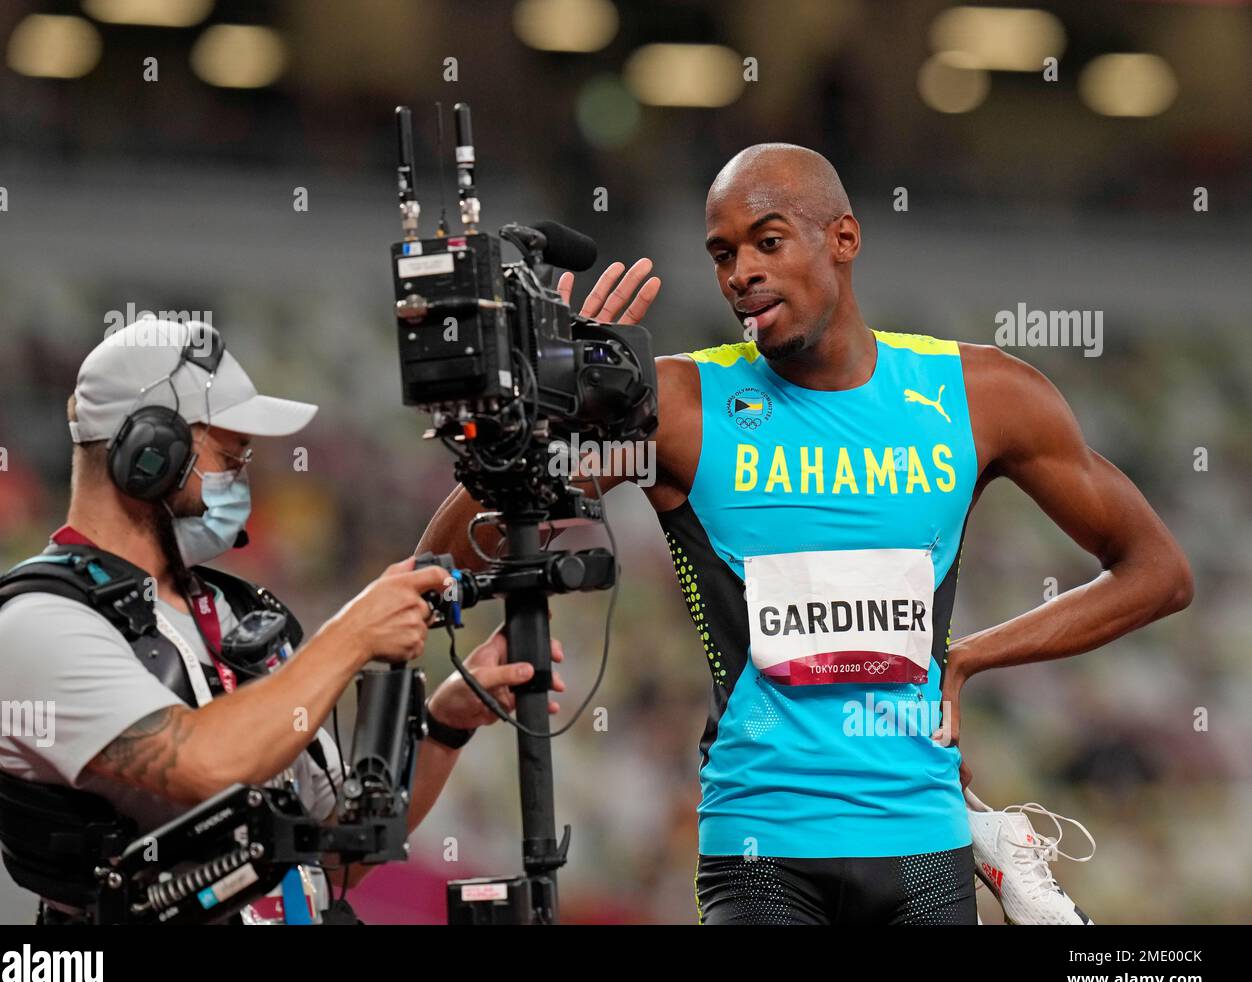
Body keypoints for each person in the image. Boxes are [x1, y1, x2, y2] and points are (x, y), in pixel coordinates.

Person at [417, 144, 1193, 925]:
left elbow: (1157, 572)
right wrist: (541, 416)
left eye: (768, 240)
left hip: (925, 846)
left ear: (844, 239)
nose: (740, 273)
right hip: (761, 850)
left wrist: (969, 656)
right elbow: (445, 563)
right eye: (723, 254)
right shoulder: (680, 407)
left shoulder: (979, 395)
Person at [0, 317, 565, 924]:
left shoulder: (233, 613)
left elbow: (330, 857)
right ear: (149, 453)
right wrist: (353, 634)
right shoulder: (35, 626)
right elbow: (203, 762)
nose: (242, 476)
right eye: (229, 454)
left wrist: (443, 725)